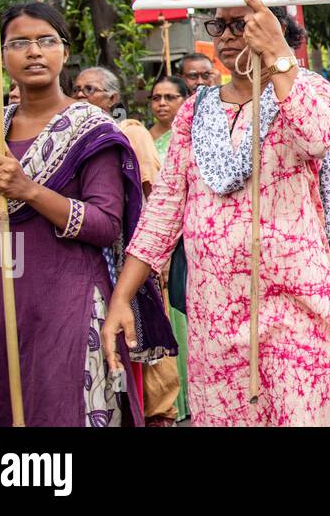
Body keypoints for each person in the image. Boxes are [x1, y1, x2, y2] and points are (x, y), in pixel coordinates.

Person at [102, 0, 330, 426]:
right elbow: (163, 210)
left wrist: (280, 56)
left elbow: (318, 137)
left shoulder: (305, 89)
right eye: (218, 27)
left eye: (238, 25)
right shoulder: (194, 110)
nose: (225, 37)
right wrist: (122, 296)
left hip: (292, 301)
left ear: (269, 27)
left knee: (300, 411)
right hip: (216, 309)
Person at [0, 2, 174, 426]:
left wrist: (29, 191)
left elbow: (105, 224)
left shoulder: (92, 130)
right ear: (2, 55)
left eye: (46, 41)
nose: (34, 51)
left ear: (64, 51)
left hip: (66, 311)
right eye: (19, 42)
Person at [147, 73, 192, 424]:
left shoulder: (191, 137)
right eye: (156, 97)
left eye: (169, 97)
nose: (162, 103)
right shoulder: (144, 140)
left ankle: (193, 396)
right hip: (159, 238)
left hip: (190, 238)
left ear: (184, 100)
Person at [74, 67, 161, 197]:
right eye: (76, 90)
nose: (80, 95)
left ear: (112, 99)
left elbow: (150, 186)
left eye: (89, 89)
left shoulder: (131, 132)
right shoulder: (72, 135)